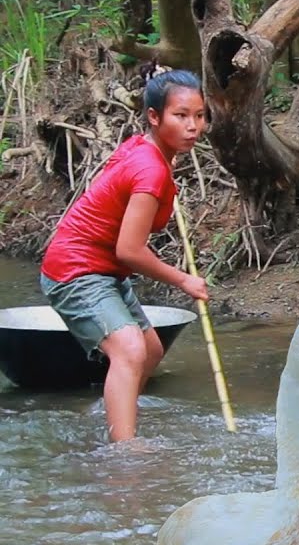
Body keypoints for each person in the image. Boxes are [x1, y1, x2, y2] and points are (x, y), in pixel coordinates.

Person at [39, 69, 210, 443]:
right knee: (131, 350)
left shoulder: (148, 150)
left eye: (199, 115)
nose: (194, 126)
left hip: (104, 270)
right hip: (74, 270)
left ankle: (113, 414)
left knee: (148, 350)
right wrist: (183, 280)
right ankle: (124, 456)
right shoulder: (149, 168)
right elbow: (129, 251)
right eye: (181, 116)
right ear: (154, 117)